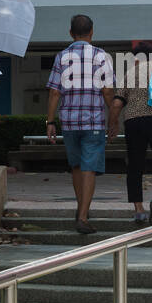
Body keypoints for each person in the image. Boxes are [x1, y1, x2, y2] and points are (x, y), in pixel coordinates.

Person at [45, 14, 114, 234]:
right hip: (93, 121)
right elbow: (107, 91)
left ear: (70, 33)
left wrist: (50, 121)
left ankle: (80, 209)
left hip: (69, 122)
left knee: (76, 166)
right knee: (89, 168)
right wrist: (113, 119)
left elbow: (55, 92)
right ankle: (83, 216)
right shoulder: (101, 56)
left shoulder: (61, 57)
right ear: (92, 32)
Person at [109, 40, 152, 225]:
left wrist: (113, 123)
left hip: (133, 123)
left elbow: (116, 103)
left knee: (135, 167)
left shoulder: (130, 74)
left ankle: (139, 210)